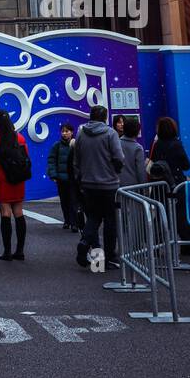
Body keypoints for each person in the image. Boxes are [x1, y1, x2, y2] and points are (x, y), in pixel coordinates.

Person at [73, 105, 124, 269]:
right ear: (105, 117)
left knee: (93, 219)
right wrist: (115, 171)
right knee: (110, 221)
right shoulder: (110, 133)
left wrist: (80, 178)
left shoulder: (81, 134)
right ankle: (108, 258)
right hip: (109, 184)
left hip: (88, 184)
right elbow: (119, 157)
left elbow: (77, 160)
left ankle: (87, 244)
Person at [0, 109, 31, 261]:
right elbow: (26, 157)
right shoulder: (19, 137)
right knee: (18, 212)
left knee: (5, 213)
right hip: (18, 179)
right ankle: (20, 251)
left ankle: (7, 251)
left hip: (2, 180)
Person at [149, 116, 190, 252]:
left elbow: (153, 162)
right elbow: (186, 165)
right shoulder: (176, 144)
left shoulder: (157, 145)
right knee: (181, 215)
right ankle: (188, 246)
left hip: (160, 184)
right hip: (177, 184)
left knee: (160, 215)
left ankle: (156, 246)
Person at [46, 122, 80, 230]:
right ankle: (67, 220)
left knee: (74, 201)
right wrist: (54, 175)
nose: (64, 134)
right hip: (61, 179)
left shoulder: (76, 145)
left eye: (67, 131)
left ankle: (75, 223)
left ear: (72, 132)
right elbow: (51, 160)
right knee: (64, 201)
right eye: (63, 131)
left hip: (73, 179)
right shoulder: (57, 146)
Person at [119, 116, 147, 188]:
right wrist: (145, 191)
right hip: (133, 188)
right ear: (137, 131)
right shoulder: (138, 148)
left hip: (117, 185)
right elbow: (141, 172)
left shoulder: (116, 143)